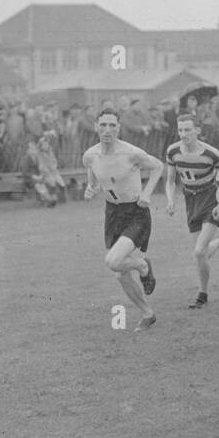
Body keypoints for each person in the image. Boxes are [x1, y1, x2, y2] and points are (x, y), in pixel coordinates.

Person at [83, 105, 163, 331]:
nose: (107, 130)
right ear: (96, 127)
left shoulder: (131, 153)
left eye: (112, 125)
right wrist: (90, 190)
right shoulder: (90, 156)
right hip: (112, 213)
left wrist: (147, 194)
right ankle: (148, 314)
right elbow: (93, 183)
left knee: (113, 261)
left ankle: (143, 266)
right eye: (103, 125)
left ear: (118, 128)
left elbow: (158, 166)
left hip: (135, 212)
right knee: (120, 274)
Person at [164, 113, 219, 309]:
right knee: (201, 253)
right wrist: (170, 200)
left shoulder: (212, 154)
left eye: (187, 130)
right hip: (190, 200)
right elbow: (170, 181)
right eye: (180, 130)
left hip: (211, 197)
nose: (183, 134)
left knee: (199, 251)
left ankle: (202, 294)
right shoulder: (173, 151)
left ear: (197, 131)